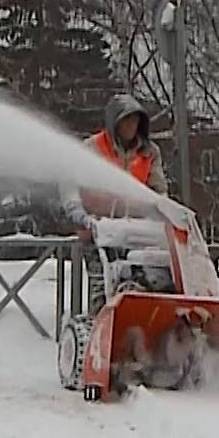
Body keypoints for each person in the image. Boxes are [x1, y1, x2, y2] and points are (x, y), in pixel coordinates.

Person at [63, 93, 169, 314]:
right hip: (99, 230)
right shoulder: (90, 149)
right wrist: (79, 215)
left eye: (135, 120)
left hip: (137, 233)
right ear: (114, 123)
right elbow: (69, 185)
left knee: (148, 283)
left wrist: (165, 214)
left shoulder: (149, 152)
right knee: (103, 288)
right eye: (126, 120)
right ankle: (98, 330)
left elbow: (159, 193)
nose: (131, 125)